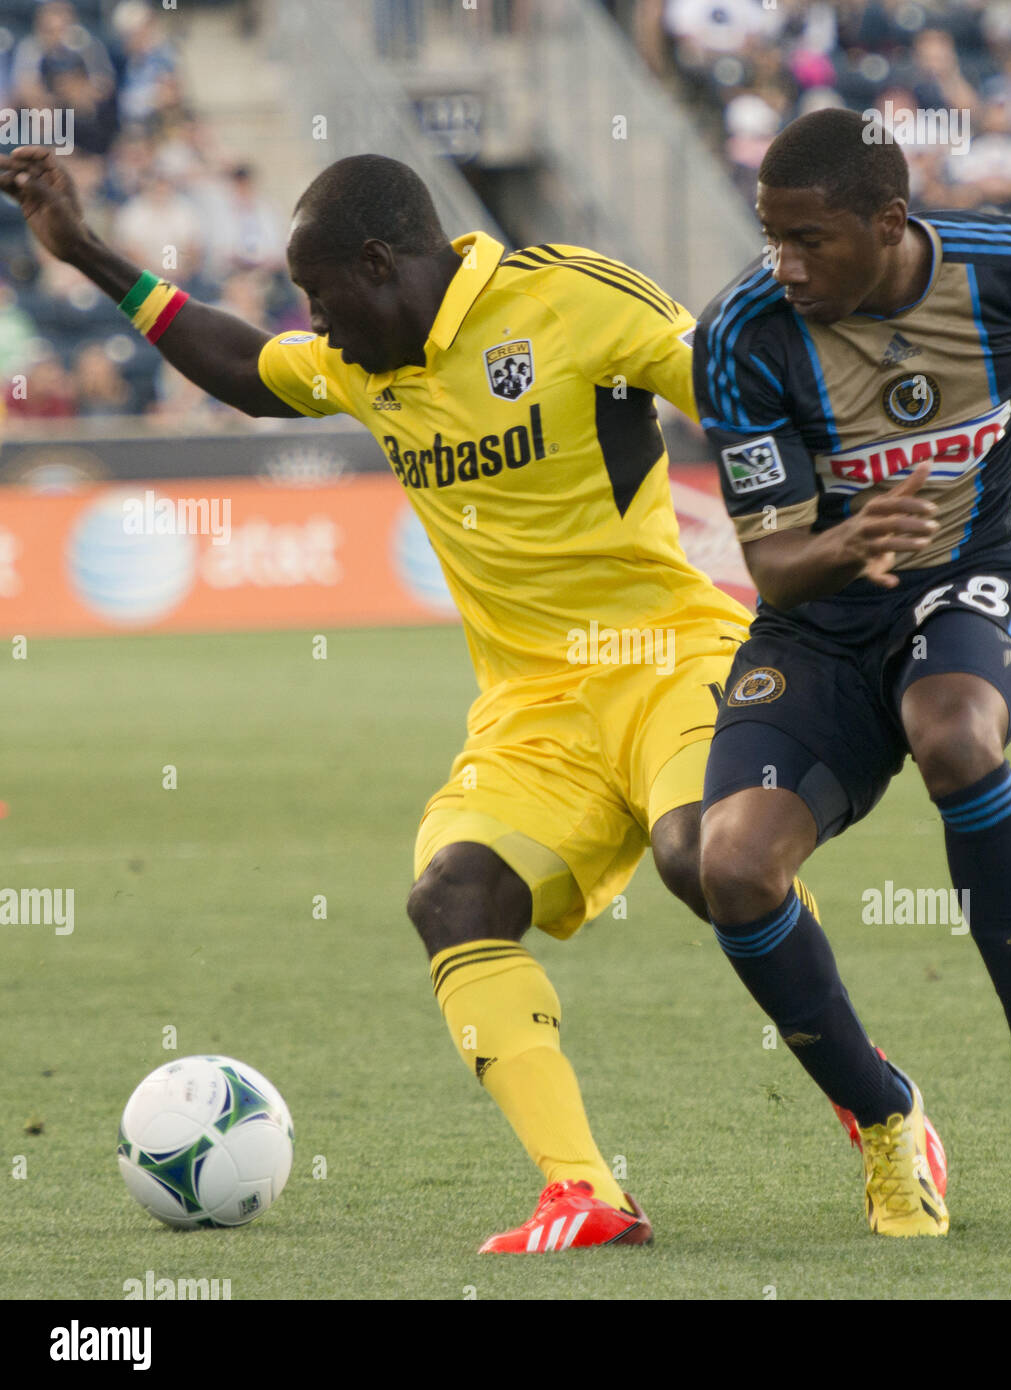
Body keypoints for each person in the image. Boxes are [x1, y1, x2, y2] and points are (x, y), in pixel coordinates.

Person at [0, 144, 938, 1252]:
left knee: (707, 858)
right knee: (451, 897)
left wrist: (858, 509)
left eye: (321, 295)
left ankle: (882, 1113)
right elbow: (249, 369)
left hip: (669, 654)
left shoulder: (572, 298)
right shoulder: (366, 359)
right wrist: (91, 252)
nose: (316, 323)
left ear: (379, 260)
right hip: (532, 709)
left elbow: (738, 386)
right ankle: (584, 1190)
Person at [692, 108, 1011, 1238]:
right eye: (769, 237)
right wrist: (844, 542)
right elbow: (771, 564)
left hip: (976, 576)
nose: (782, 266)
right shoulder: (743, 337)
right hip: (820, 623)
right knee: (733, 869)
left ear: (890, 221)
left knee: (954, 733)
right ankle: (886, 1119)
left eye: (807, 240)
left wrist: (975, 456)